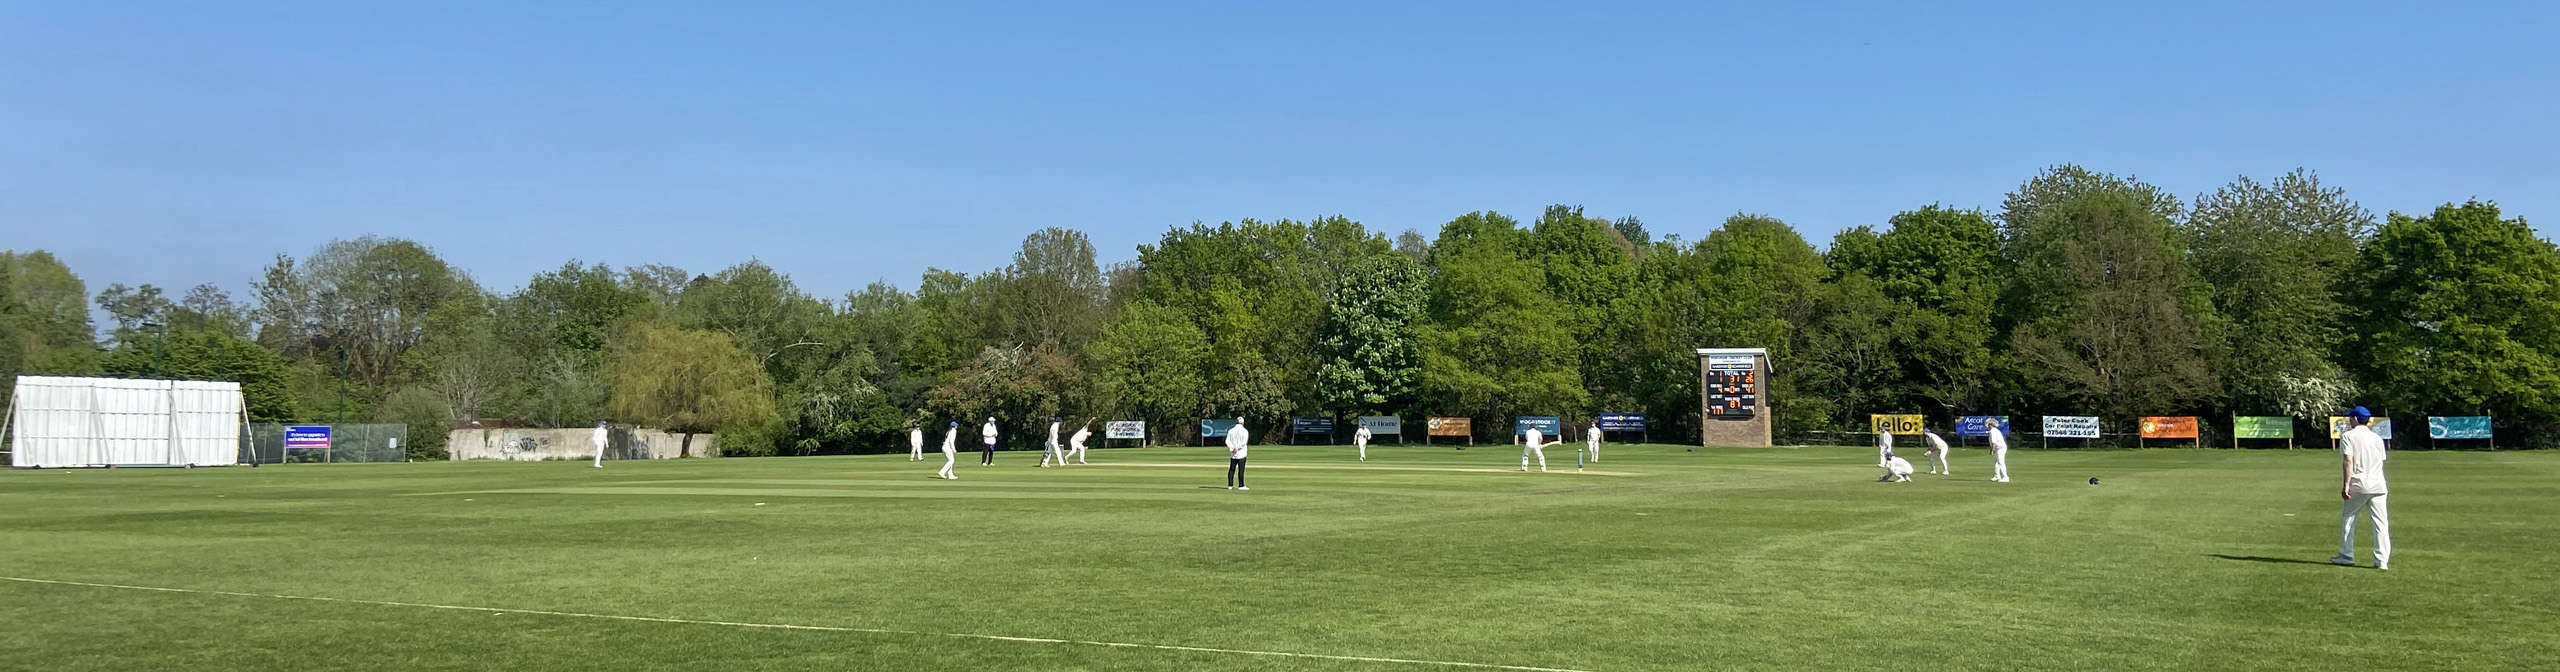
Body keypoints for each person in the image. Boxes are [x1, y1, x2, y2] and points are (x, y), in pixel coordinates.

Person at [2331, 406, 2391, 570]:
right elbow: (2381, 461)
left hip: (2358, 483)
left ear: (2356, 419)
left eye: (2351, 418)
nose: (2350, 420)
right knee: (2380, 523)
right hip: (2378, 483)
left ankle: (2346, 555)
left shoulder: (2348, 436)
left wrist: (2346, 485)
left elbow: (2348, 461)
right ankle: (2382, 560)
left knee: (2348, 519)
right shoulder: (2377, 438)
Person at [1225, 417, 1250, 490]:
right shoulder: (1245, 431)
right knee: (1241, 470)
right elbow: (1244, 442)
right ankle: (1241, 485)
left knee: (1232, 469)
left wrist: (1232, 447)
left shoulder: (1231, 430)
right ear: (1243, 423)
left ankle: (1230, 485)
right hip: (1241, 453)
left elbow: (1227, 441)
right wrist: (1237, 447)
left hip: (1233, 453)